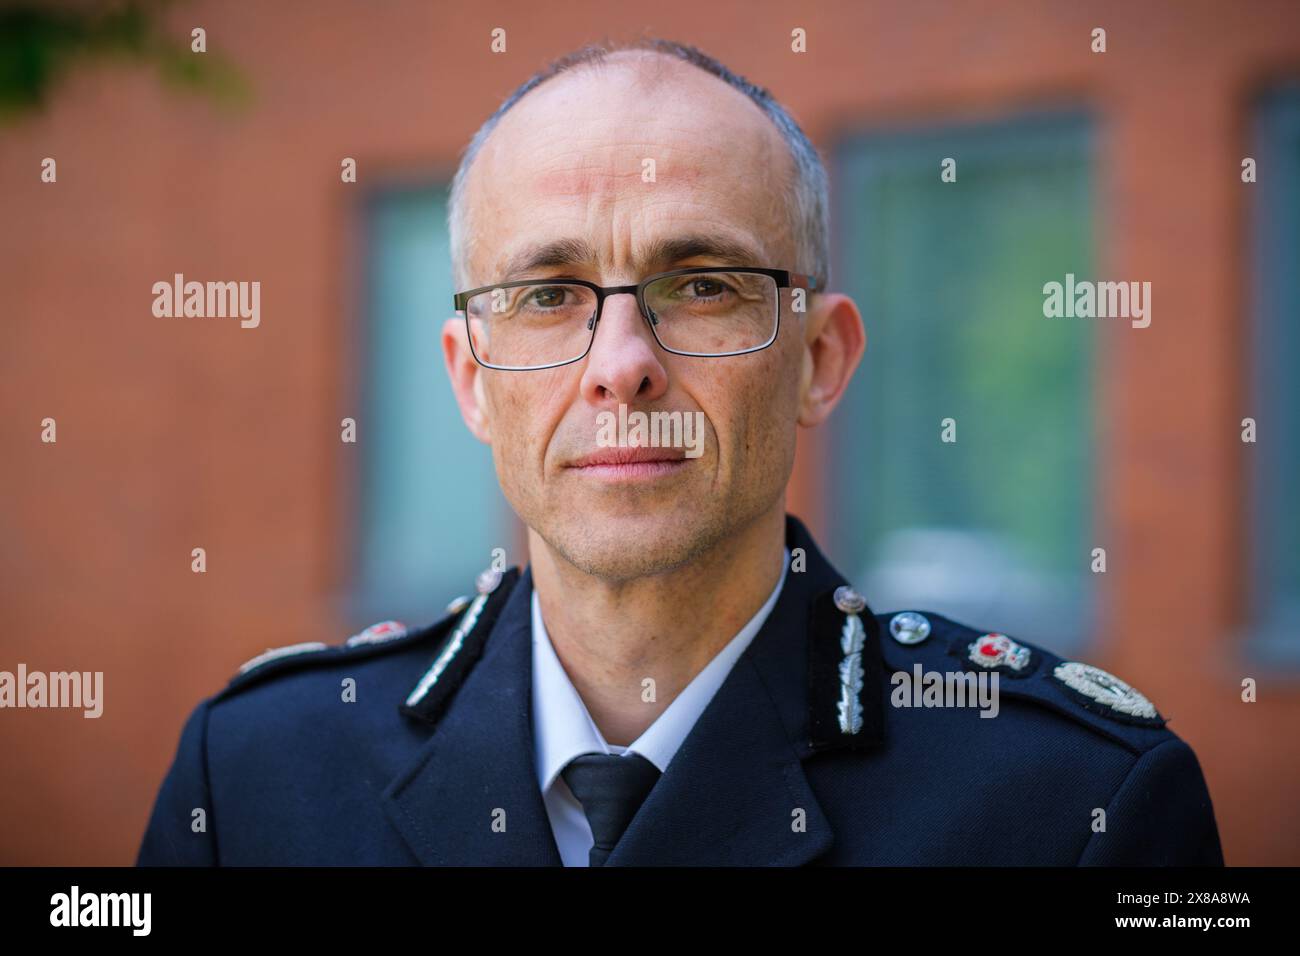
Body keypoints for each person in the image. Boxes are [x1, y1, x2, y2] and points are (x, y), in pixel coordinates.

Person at [137, 38, 1223, 866]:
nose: (621, 364)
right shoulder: (253, 779)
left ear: (819, 358)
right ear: (469, 376)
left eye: (701, 284)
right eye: (549, 294)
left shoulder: (1071, 806)